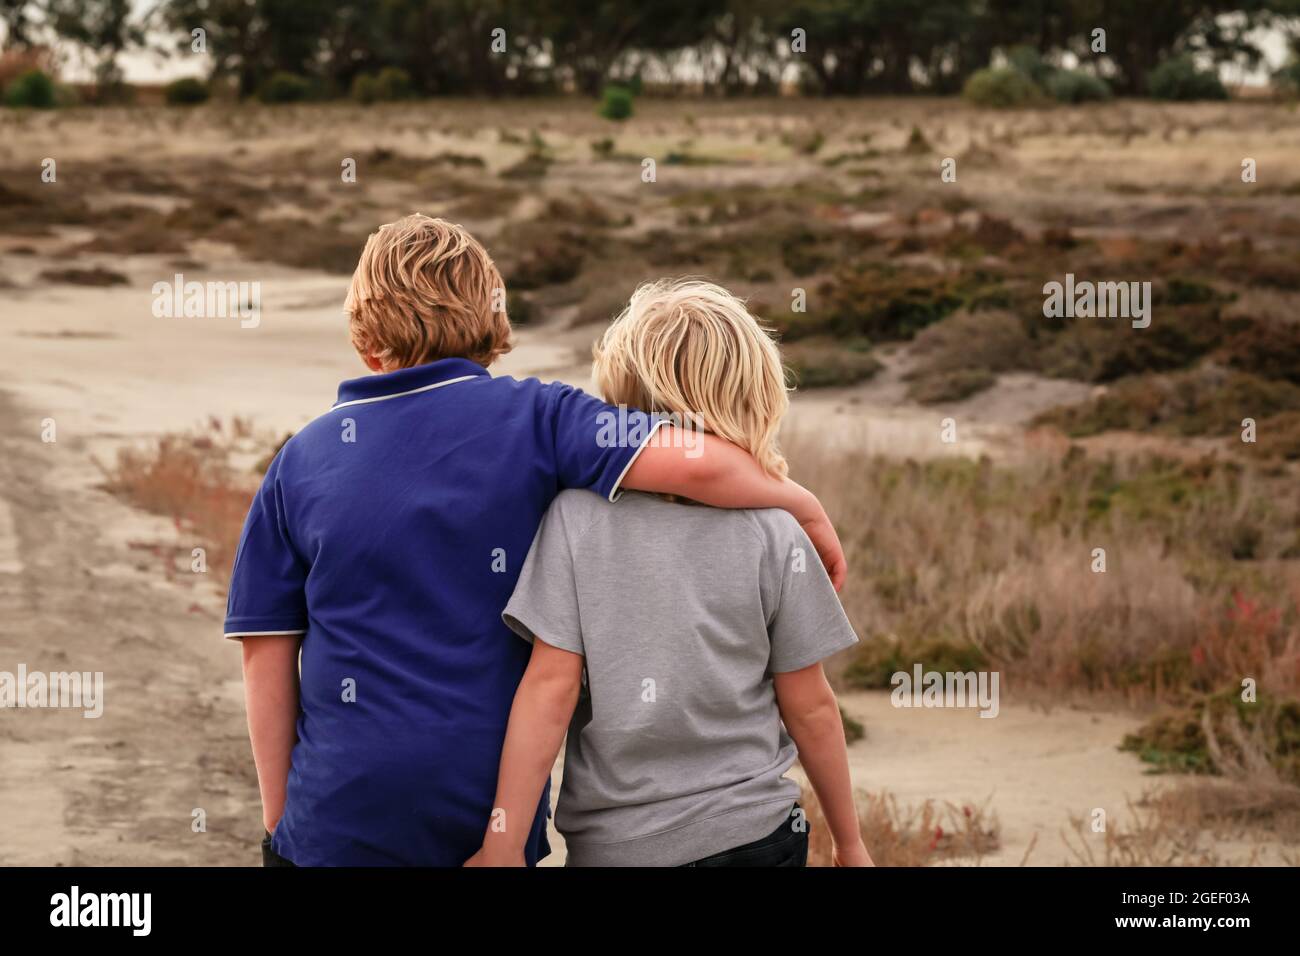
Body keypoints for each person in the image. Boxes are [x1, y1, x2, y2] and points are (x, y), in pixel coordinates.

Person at [227, 217, 847, 866]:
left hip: (336, 812)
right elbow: (695, 461)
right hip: (482, 806)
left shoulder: (300, 462)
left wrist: (280, 820)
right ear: (493, 329)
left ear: (364, 340)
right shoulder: (540, 419)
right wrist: (800, 503)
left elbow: (265, 655)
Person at [467, 279, 872, 868]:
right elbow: (810, 707)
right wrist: (851, 844)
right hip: (756, 836)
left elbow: (549, 689)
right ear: (756, 393)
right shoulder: (775, 530)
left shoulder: (574, 520)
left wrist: (502, 844)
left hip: (619, 847)